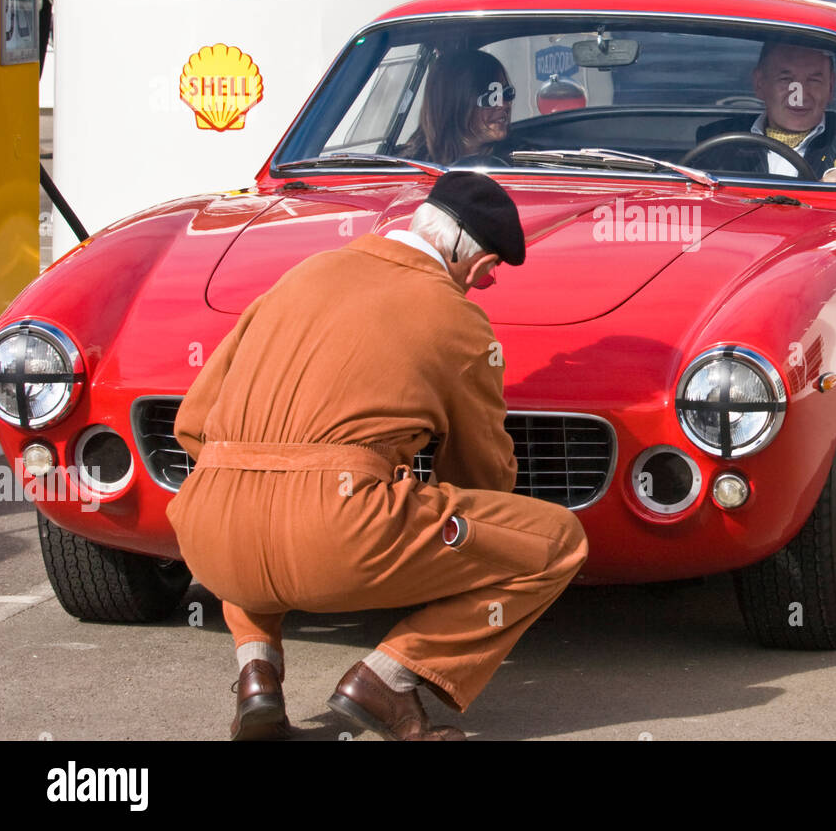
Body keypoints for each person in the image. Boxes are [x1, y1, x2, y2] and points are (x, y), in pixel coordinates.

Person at [166, 172, 588, 740]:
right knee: (557, 543)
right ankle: (388, 678)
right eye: (488, 275)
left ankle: (256, 673)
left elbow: (193, 423)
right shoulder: (458, 317)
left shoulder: (300, 274)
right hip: (334, 539)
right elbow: (479, 476)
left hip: (208, 535)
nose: (483, 288)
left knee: (251, 500)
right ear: (474, 259)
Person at [693, 41, 836, 179]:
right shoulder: (716, 141)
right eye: (786, 79)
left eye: (814, 80)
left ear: (831, 87)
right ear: (760, 84)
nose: (800, 95)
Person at [405, 49, 514, 165]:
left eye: (507, 93)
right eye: (491, 97)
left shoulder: (521, 164)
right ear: (455, 104)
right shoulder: (407, 169)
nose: (504, 104)